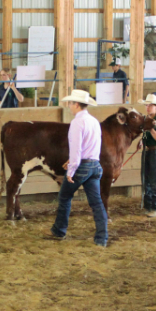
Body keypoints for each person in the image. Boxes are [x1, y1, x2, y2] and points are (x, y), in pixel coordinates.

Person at [47, 89, 108, 247]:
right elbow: (93, 146)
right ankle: (102, 237)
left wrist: (71, 169)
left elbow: (76, 148)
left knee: (65, 196)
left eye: (71, 103)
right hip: (95, 164)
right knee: (96, 203)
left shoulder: (77, 123)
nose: (69, 106)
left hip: (82, 166)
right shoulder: (94, 121)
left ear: (76, 104)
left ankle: (60, 229)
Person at [138, 94, 156, 217]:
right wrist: (141, 141)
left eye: (150, 105)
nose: (148, 107)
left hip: (155, 151)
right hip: (148, 151)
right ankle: (148, 205)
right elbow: (146, 136)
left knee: (153, 180)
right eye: (146, 105)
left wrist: (150, 129)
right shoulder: (147, 120)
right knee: (147, 179)